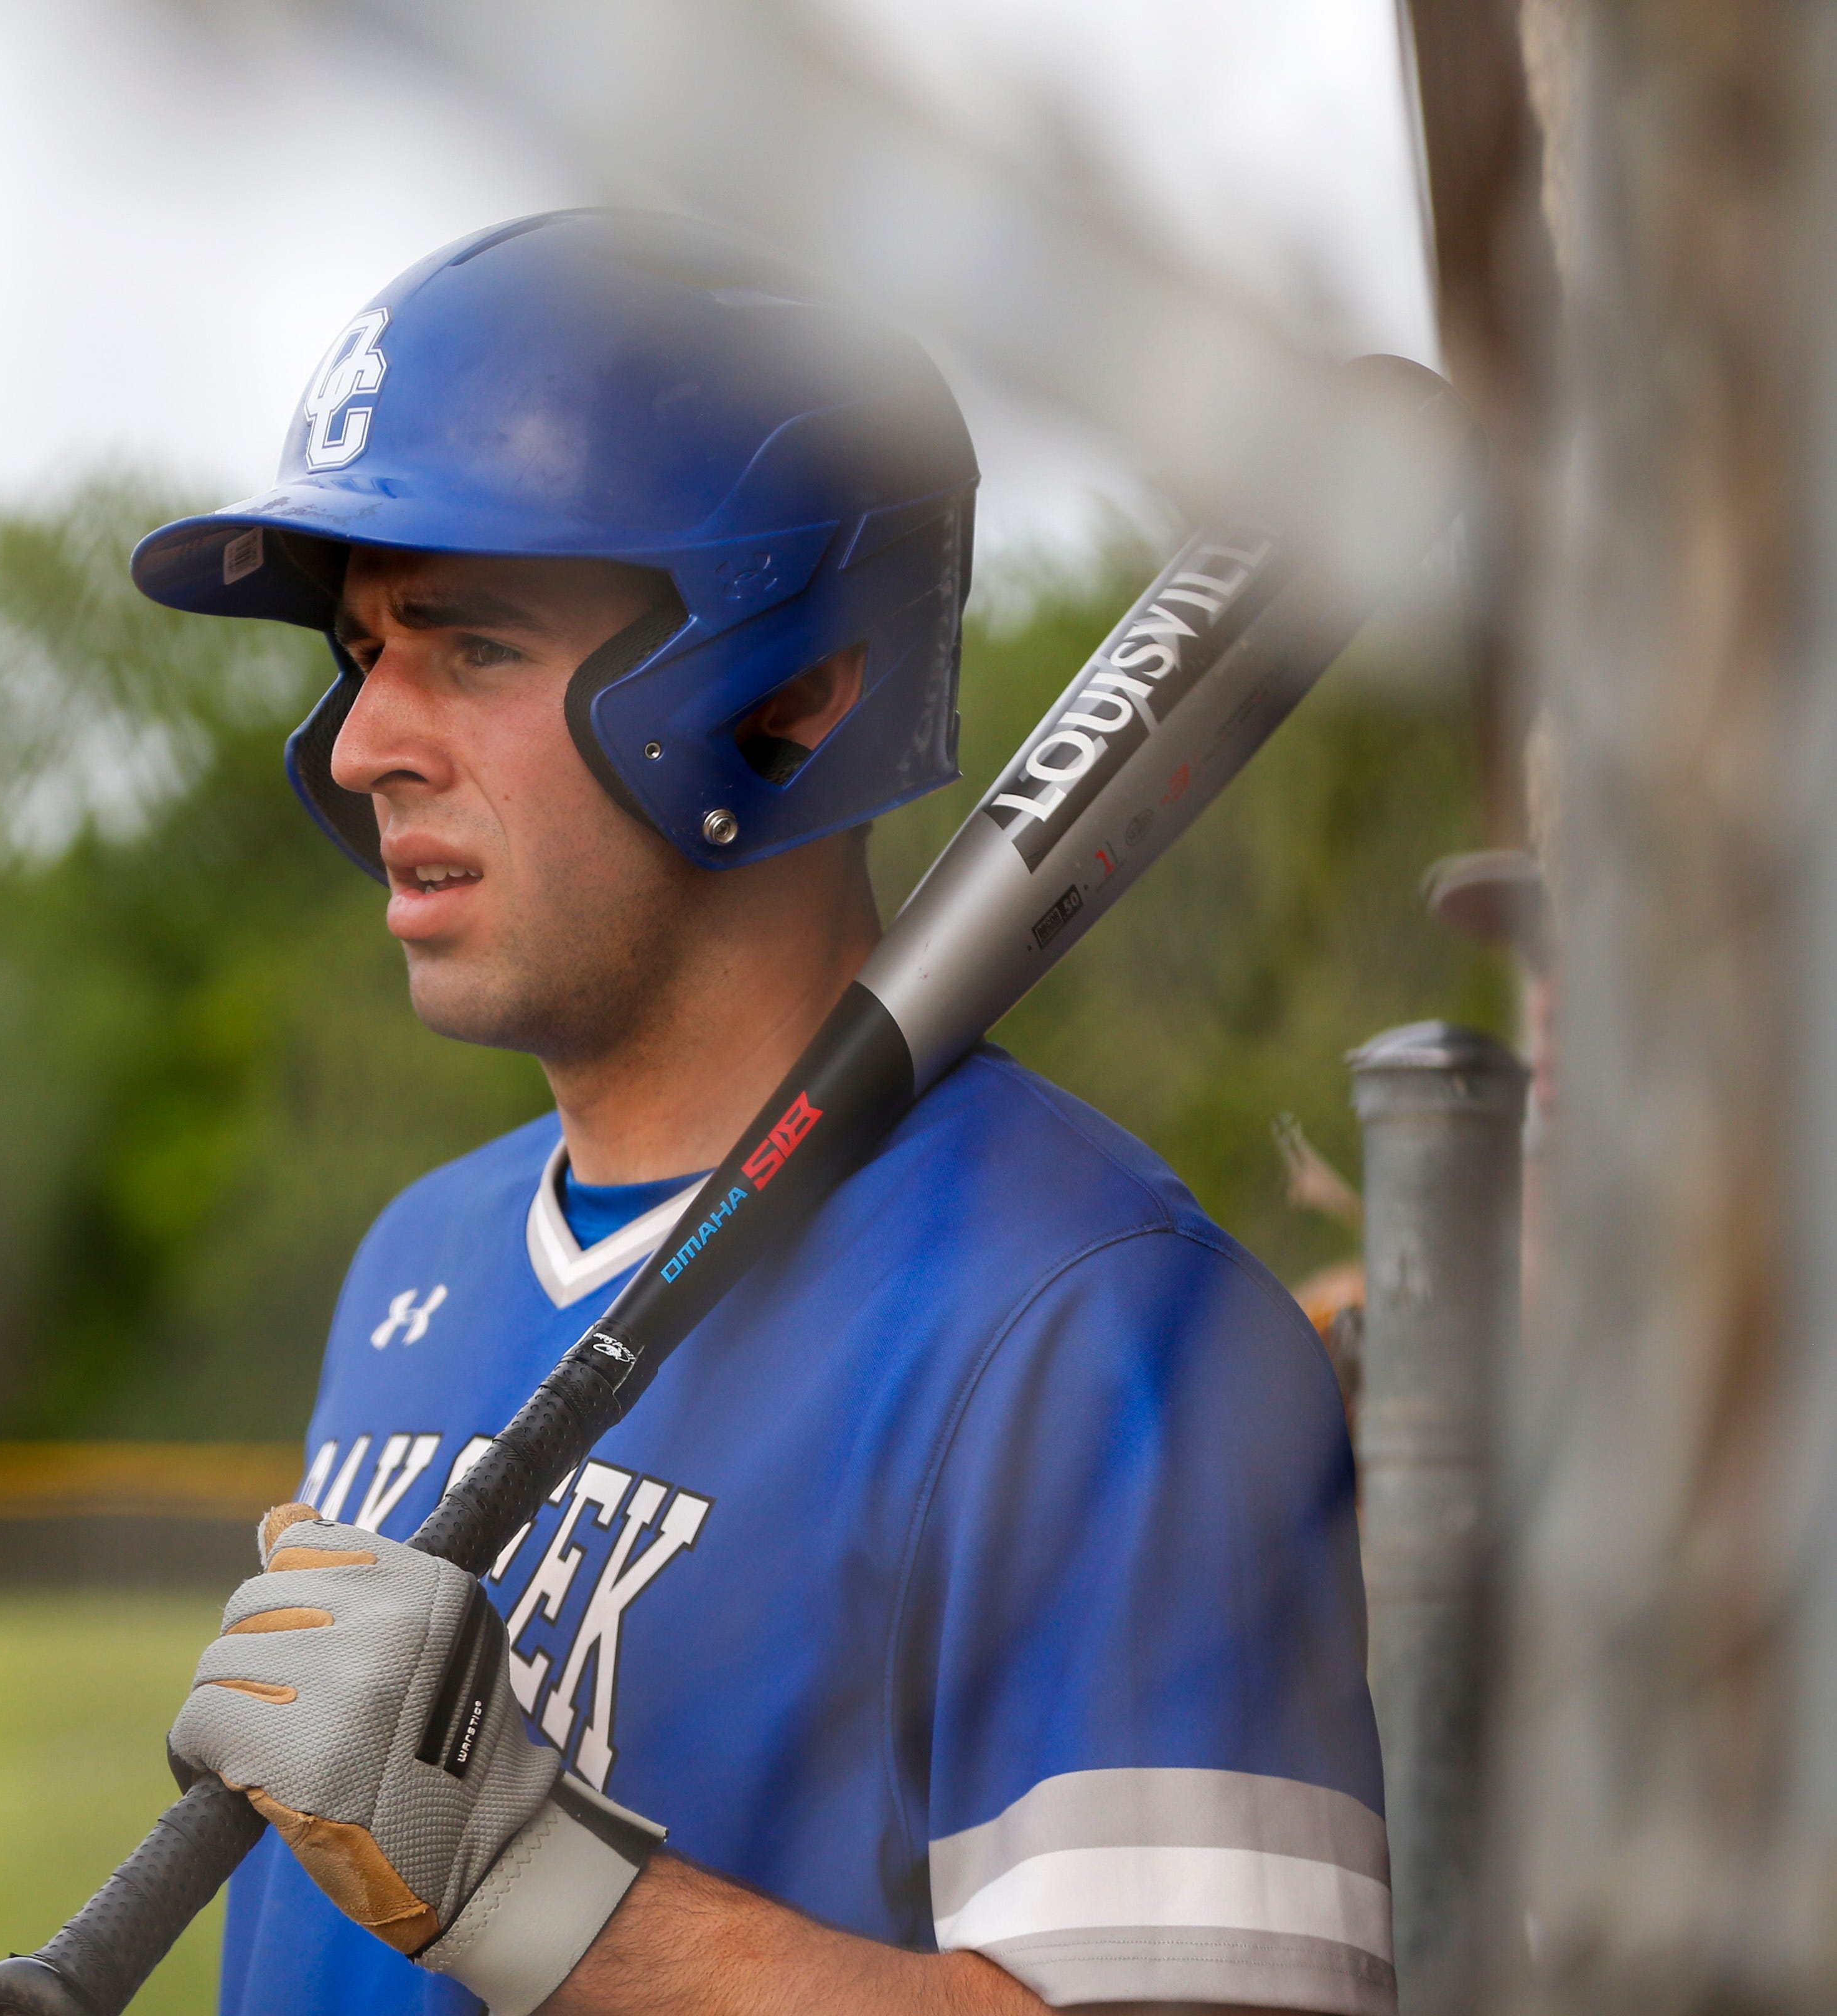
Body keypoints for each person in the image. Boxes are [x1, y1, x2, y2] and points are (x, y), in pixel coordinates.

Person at [134, 209, 1393, 2016]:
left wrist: (538, 1887)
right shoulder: (416, 1257)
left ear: (795, 695)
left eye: (471, 646)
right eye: (359, 653)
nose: (361, 742)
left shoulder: (1105, 1327)